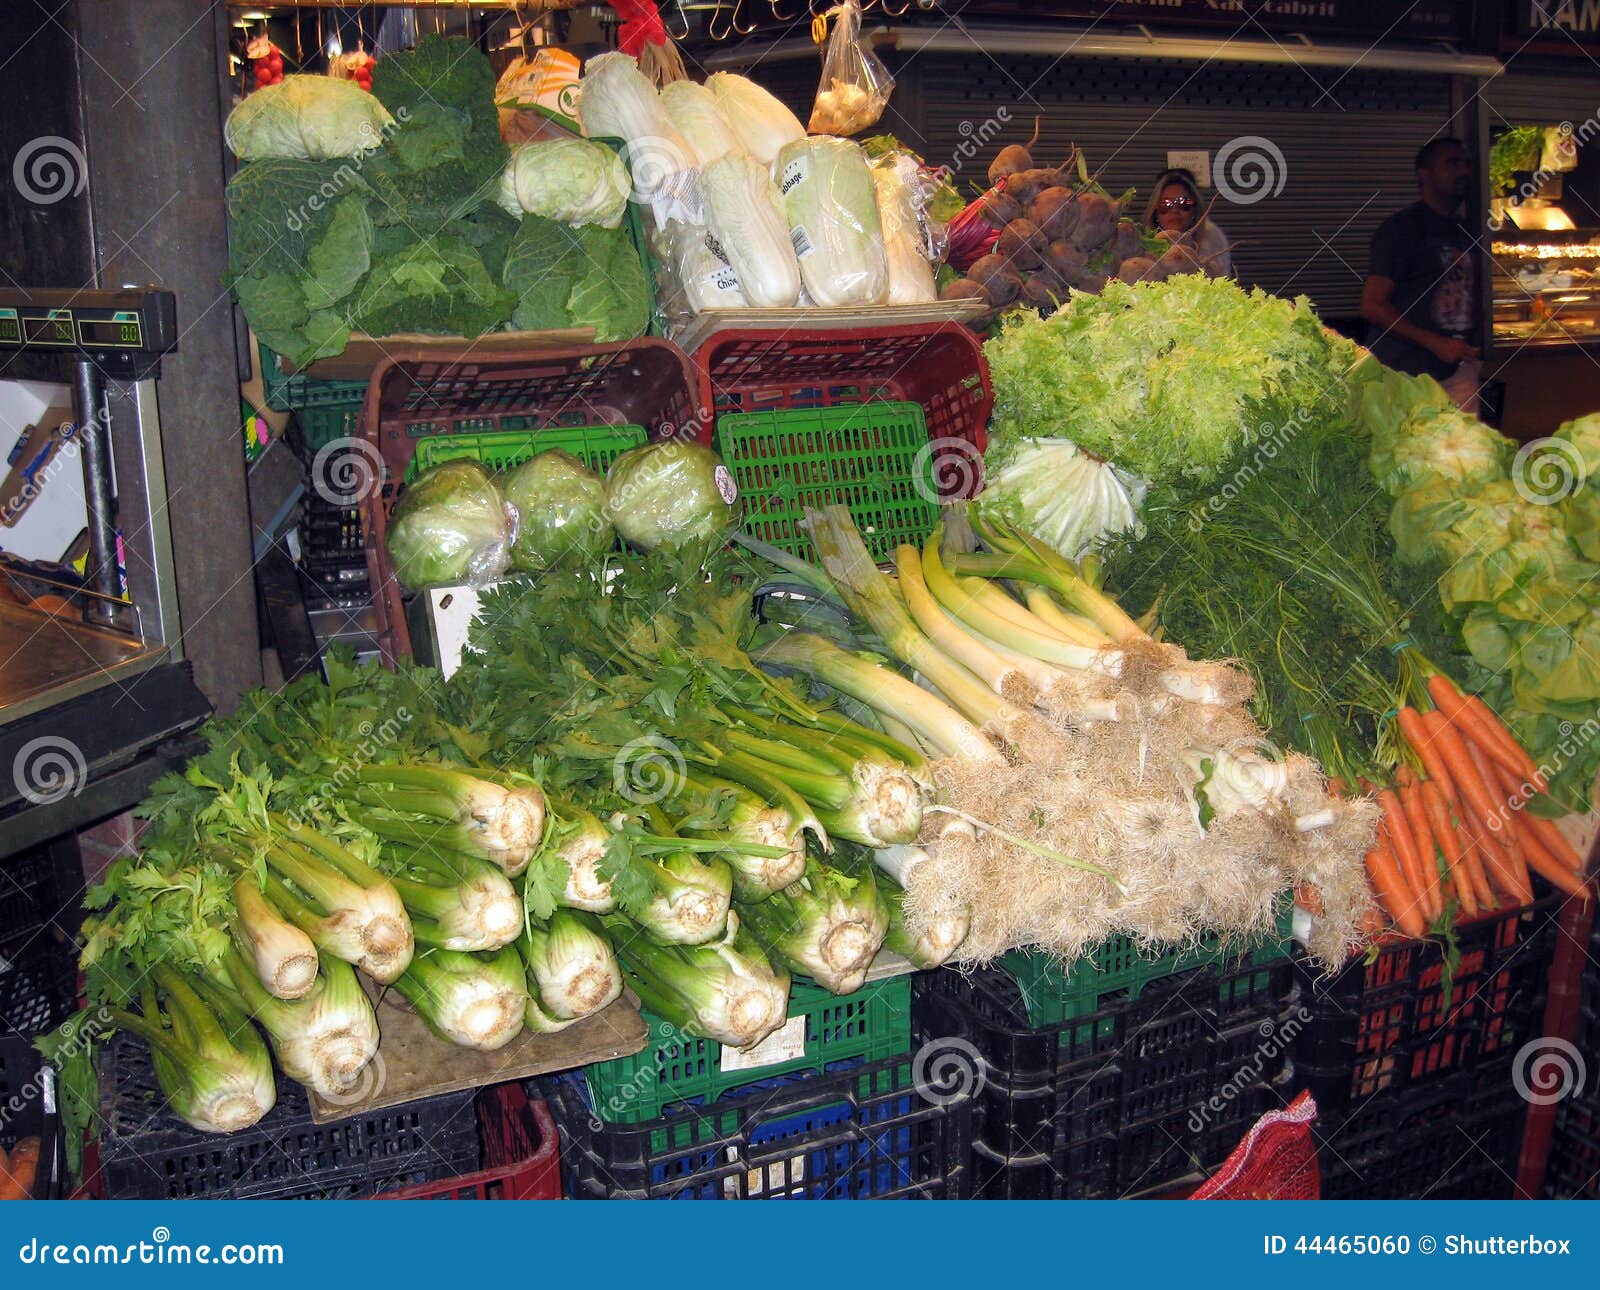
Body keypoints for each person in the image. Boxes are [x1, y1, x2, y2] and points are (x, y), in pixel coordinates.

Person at [1361, 138, 1481, 414]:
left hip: (1458, 373)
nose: (1463, 172)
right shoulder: (1402, 230)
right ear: (1424, 174)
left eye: (1466, 165)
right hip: (1405, 376)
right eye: (1452, 163)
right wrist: (1436, 343)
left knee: (1465, 443)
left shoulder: (1464, 230)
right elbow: (1372, 305)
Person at [1143, 169, 1233, 277]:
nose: (1175, 210)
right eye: (1165, 204)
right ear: (1155, 212)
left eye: (1184, 204)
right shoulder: (1142, 245)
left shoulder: (1210, 238)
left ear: (1195, 210)